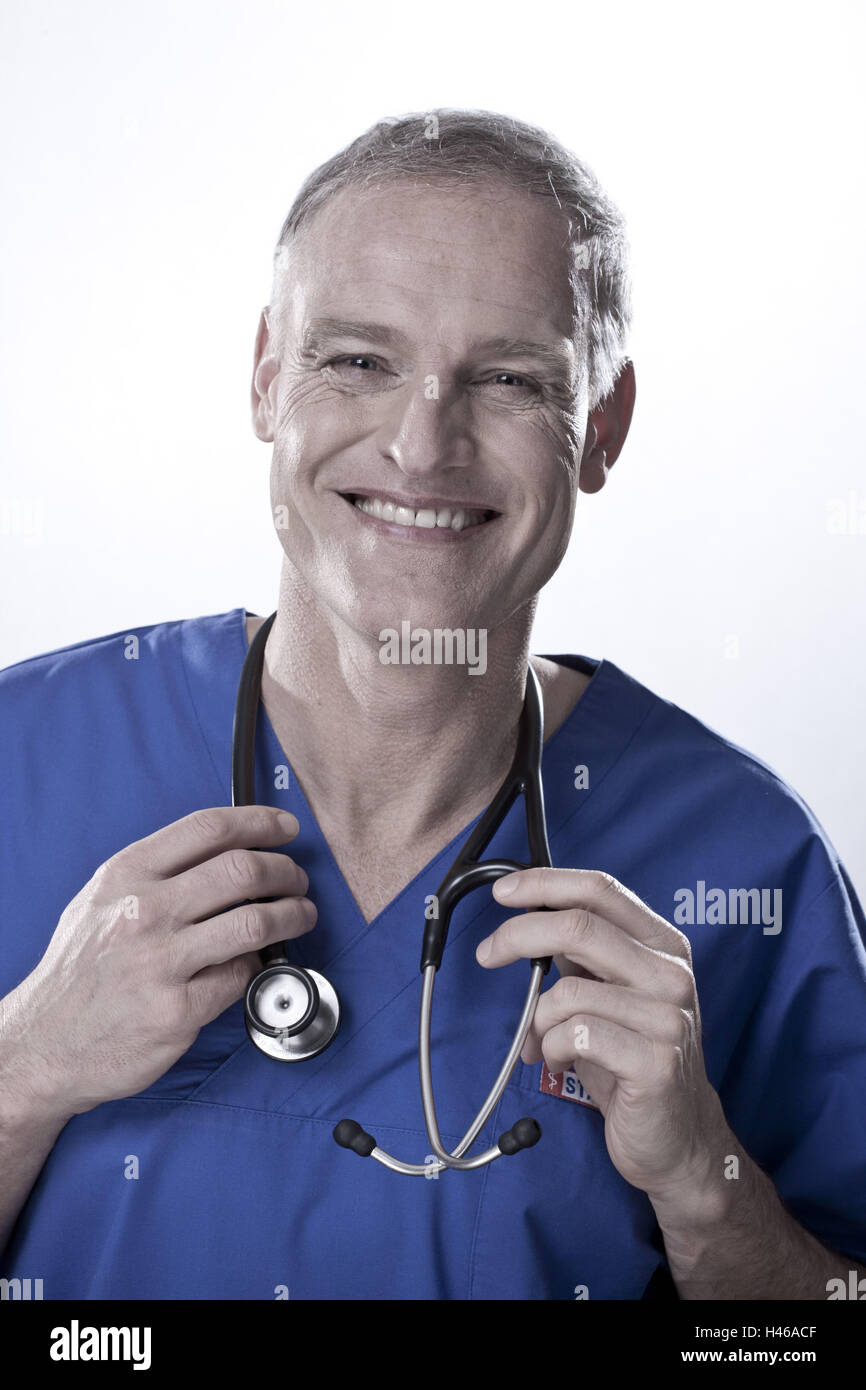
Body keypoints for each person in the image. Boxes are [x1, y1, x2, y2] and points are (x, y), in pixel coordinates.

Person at [1, 109, 864, 1302]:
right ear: (265, 378)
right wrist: (25, 1065)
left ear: (601, 428)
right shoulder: (25, 761)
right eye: (357, 360)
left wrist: (701, 1178)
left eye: (508, 379)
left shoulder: (743, 857)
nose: (421, 444)